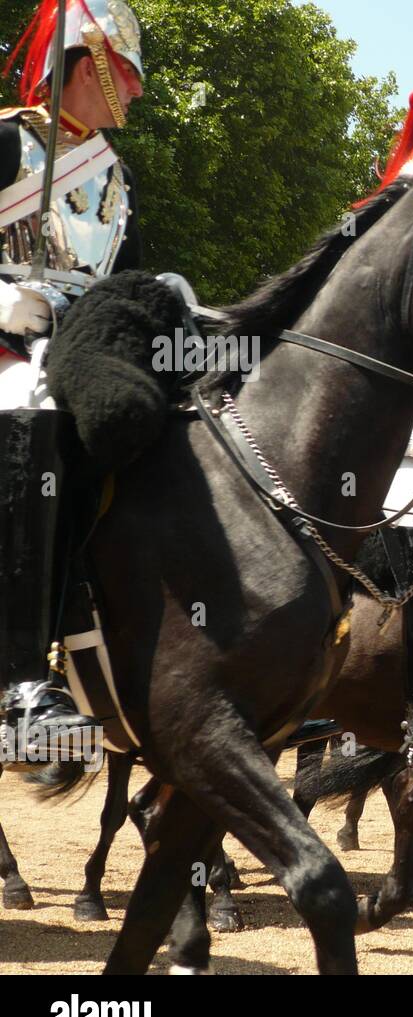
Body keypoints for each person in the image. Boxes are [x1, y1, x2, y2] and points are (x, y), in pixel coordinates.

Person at [1, 0, 145, 754]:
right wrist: (6, 300)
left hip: (85, 346)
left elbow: (124, 281)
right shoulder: (7, 144)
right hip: (9, 349)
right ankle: (24, 680)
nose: (141, 91)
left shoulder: (117, 177)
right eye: (129, 73)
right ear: (89, 68)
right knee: (37, 407)